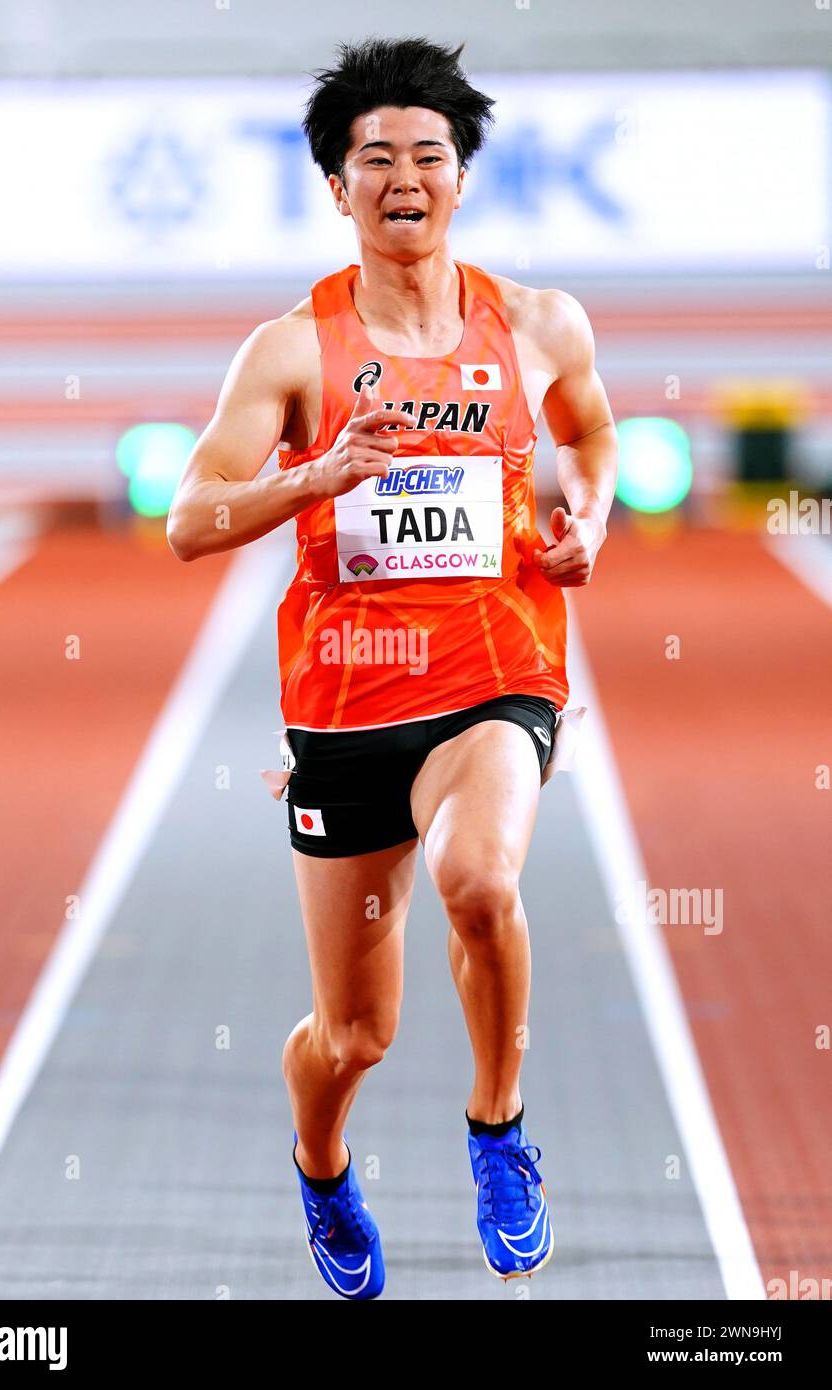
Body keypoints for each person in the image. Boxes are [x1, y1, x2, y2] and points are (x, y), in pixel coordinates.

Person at [167, 35, 618, 1300]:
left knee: (481, 878)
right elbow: (188, 521)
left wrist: (586, 515)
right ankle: (320, 1164)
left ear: (462, 177)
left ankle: (498, 1129)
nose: (404, 175)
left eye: (429, 152)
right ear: (337, 185)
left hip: (498, 676)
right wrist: (314, 476)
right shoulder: (291, 351)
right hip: (348, 706)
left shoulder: (536, 323)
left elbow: (591, 432)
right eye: (377, 157)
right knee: (355, 1033)